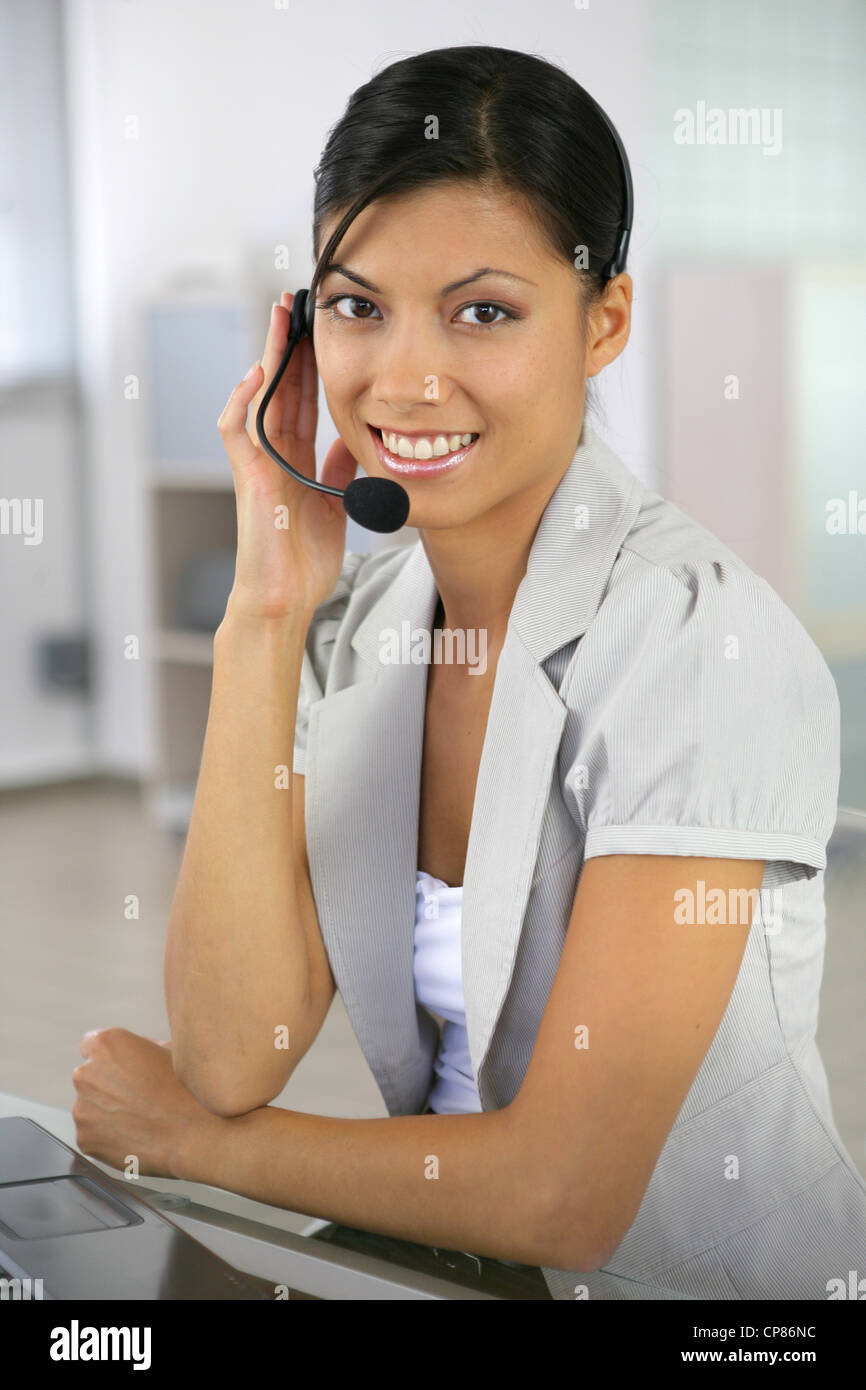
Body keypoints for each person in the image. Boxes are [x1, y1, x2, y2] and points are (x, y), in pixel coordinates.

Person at [73, 45, 866, 1301]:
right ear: (298, 333)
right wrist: (264, 609)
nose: (405, 378)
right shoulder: (365, 620)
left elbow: (566, 1194)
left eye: (481, 310)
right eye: (357, 306)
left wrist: (192, 1147)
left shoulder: (696, 643)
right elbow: (232, 1050)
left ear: (601, 322)